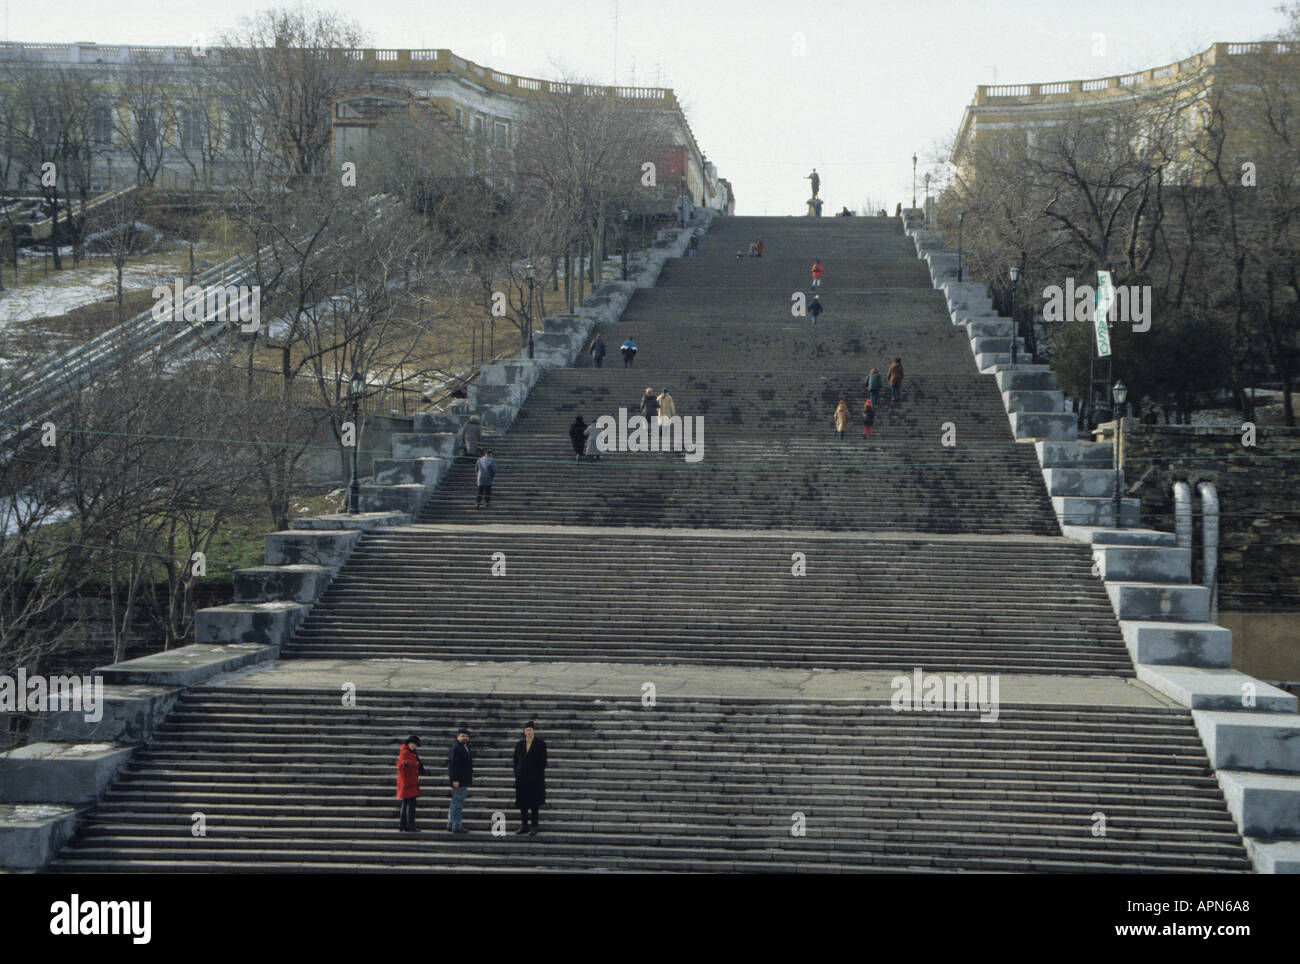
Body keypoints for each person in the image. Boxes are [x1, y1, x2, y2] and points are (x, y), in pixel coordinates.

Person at [513, 720, 548, 836]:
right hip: (522, 779)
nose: (528, 732)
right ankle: (524, 825)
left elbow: (543, 762)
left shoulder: (540, 744)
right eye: (526, 730)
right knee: (522, 804)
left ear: (533, 731)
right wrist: (517, 773)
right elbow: (515, 760)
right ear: (524, 731)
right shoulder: (520, 744)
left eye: (530, 730)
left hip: (535, 779)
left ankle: (534, 826)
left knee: (534, 804)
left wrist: (536, 774)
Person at [396, 735, 426, 832]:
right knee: (410, 806)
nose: (414, 746)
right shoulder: (406, 752)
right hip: (408, 783)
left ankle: (403, 825)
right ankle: (410, 826)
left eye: (415, 745)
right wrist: (407, 763)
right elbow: (401, 763)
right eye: (412, 744)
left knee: (406, 804)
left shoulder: (410, 752)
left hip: (409, 783)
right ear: (408, 743)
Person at [446, 727, 473, 834]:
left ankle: (451, 823)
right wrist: (455, 779)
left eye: (466, 736)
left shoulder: (465, 747)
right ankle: (456, 825)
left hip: (464, 778)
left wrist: (471, 774)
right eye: (462, 736)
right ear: (457, 737)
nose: (465, 738)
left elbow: (468, 764)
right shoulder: (456, 748)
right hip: (459, 780)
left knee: (455, 801)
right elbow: (453, 765)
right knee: (458, 802)